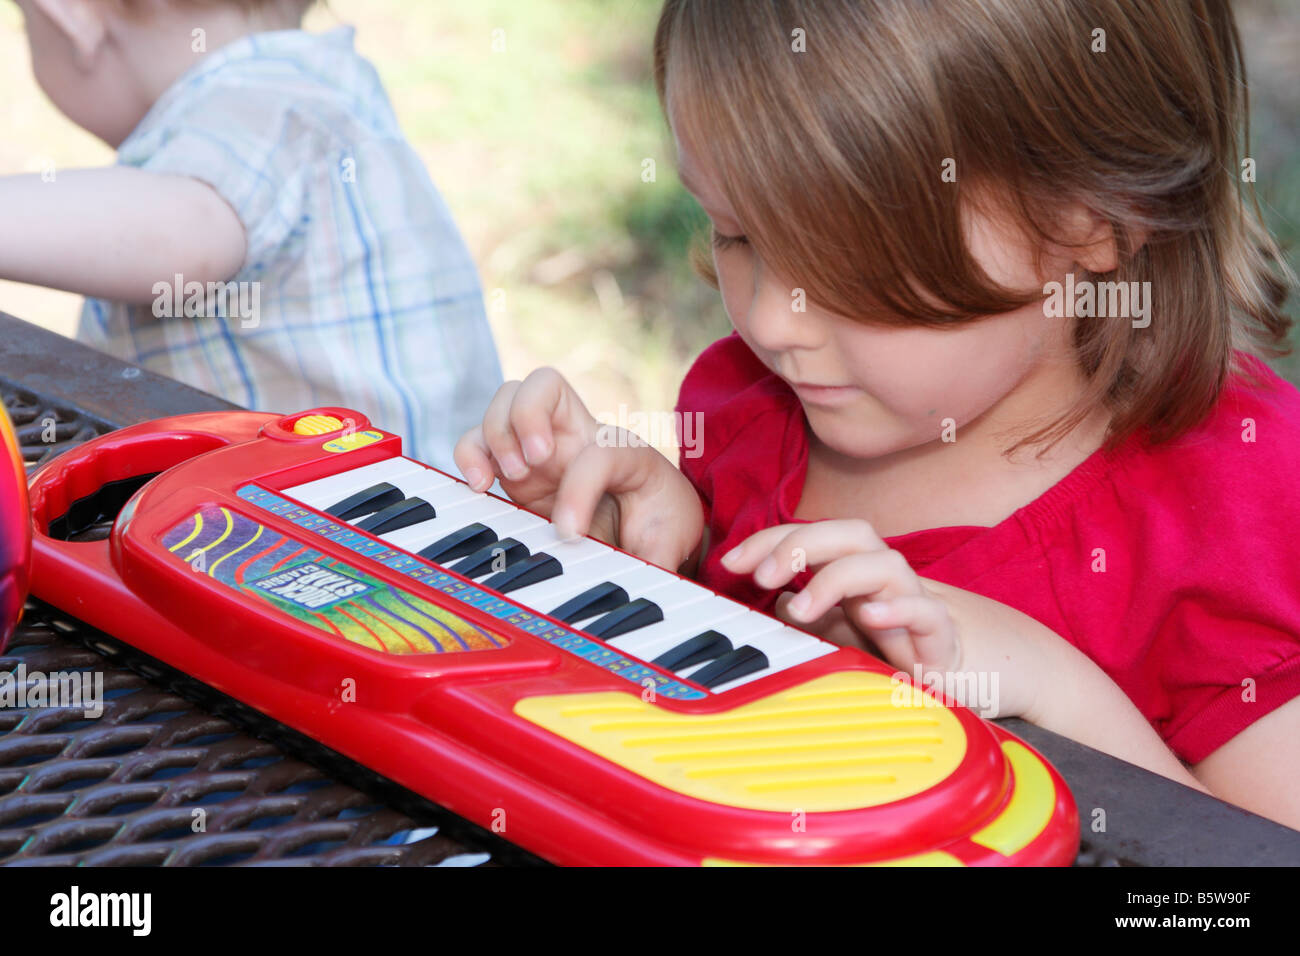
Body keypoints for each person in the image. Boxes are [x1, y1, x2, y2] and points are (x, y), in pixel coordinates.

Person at [455, 0, 1300, 831]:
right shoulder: (755, 411)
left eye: (849, 265)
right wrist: (661, 556)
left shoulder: (1233, 516)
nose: (774, 321)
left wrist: (1052, 688)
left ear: (1093, 221)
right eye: (737, 235)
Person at [0, 0, 502, 469]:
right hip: (438, 522)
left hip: (340, 536)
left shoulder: (259, 102)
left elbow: (185, 234)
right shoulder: (319, 87)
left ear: (72, 17)